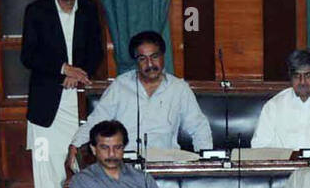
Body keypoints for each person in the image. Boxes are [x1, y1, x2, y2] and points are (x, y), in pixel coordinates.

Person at [21, 0, 103, 188]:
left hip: (80, 100)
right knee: (46, 165)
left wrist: (78, 74)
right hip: (45, 105)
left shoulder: (89, 9)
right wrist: (63, 70)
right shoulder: (36, 11)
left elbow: (96, 51)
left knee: (86, 162)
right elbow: (28, 55)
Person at [70, 29, 209, 160]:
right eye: (143, 59)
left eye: (154, 57)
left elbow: (199, 127)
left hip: (165, 163)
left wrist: (207, 160)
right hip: (126, 163)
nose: (150, 64)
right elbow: (96, 121)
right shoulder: (120, 86)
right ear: (136, 61)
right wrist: (75, 145)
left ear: (163, 56)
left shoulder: (179, 88)